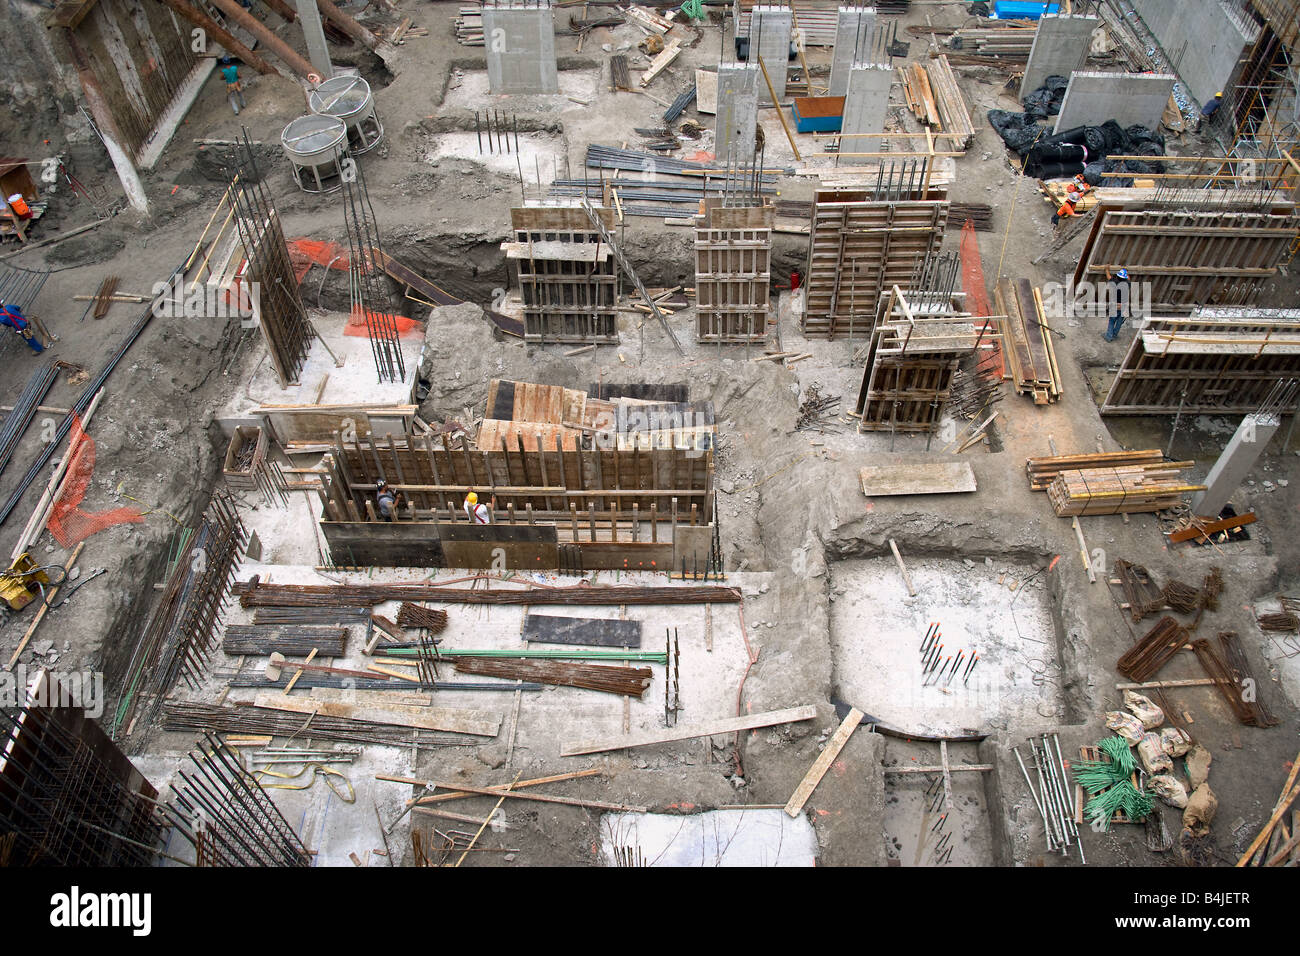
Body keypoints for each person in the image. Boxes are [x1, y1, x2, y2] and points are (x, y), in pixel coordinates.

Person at [1104, 268, 1130, 341]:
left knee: (1112, 321)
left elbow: (1108, 277)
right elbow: (1128, 277)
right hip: (1123, 306)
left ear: (1118, 276)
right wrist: (1126, 272)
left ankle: (1108, 336)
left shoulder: (1114, 282)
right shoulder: (1128, 284)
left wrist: (1106, 269)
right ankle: (1114, 335)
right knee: (1119, 322)